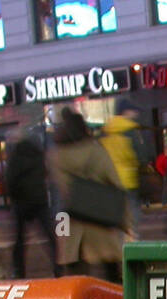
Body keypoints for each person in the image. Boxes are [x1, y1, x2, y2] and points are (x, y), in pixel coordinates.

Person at [51, 106, 128, 282]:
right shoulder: (95, 151)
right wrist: (126, 222)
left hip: (68, 218)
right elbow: (115, 183)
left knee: (73, 267)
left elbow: (60, 188)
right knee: (111, 267)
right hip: (99, 214)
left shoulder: (55, 155)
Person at [6, 115, 60, 278]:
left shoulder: (15, 157)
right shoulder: (38, 155)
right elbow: (45, 174)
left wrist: (13, 198)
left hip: (22, 202)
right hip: (39, 200)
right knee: (50, 236)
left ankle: (19, 270)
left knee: (20, 241)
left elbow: (11, 180)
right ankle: (58, 266)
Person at [101, 98, 151, 236]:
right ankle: (131, 248)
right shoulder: (131, 131)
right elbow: (142, 157)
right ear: (126, 111)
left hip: (109, 181)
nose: (136, 114)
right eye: (133, 111)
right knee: (131, 218)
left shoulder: (105, 131)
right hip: (128, 181)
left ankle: (116, 248)